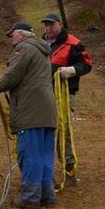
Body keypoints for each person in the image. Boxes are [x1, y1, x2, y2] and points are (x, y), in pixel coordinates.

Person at [0, 22, 57, 209]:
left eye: (12, 35)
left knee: (30, 155)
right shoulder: (42, 50)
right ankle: (47, 195)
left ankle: (31, 197)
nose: (11, 40)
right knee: (44, 154)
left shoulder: (24, 49)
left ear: (21, 35)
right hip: (47, 111)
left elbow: (12, 76)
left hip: (30, 110)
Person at [40, 12, 92, 183]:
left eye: (51, 25)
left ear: (60, 24)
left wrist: (70, 71)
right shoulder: (40, 44)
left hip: (65, 93)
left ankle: (69, 169)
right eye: (46, 25)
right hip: (42, 93)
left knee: (64, 131)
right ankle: (46, 172)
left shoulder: (74, 43)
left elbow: (86, 64)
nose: (48, 28)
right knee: (44, 131)